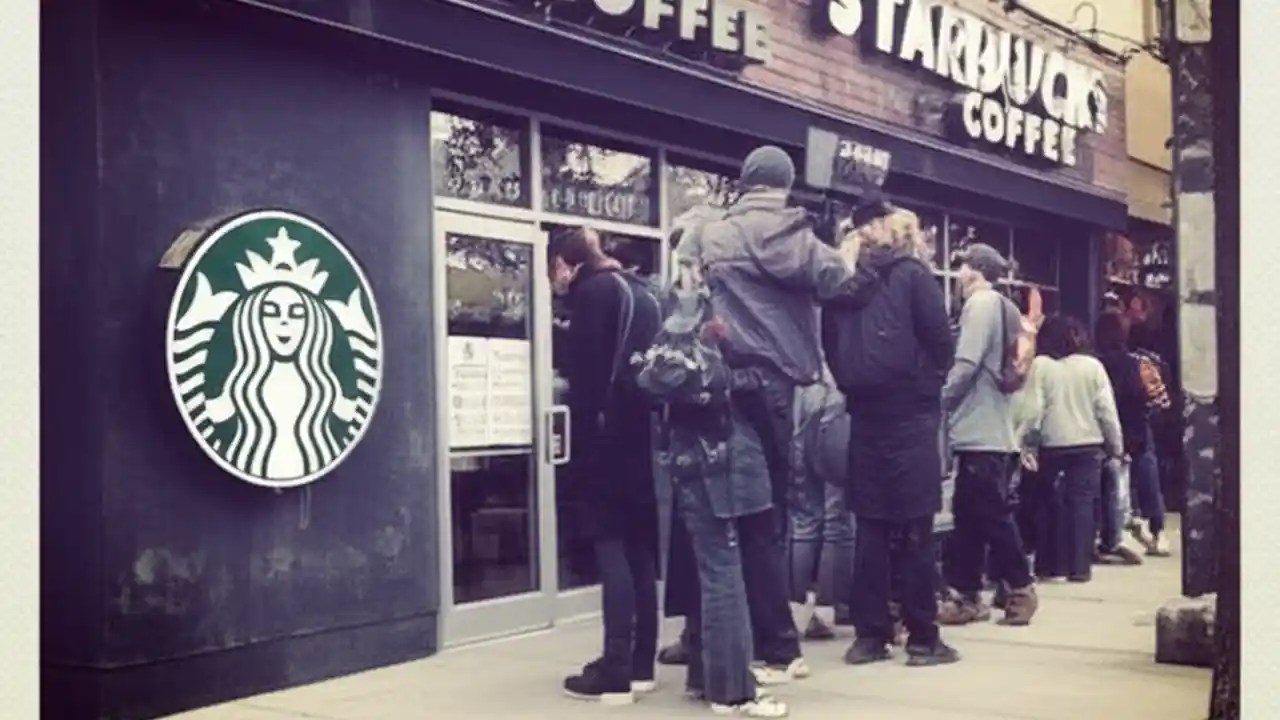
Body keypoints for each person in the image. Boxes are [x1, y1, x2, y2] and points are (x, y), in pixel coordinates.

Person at [690, 145, 878, 683]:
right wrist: (849, 250)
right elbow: (843, 286)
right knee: (767, 521)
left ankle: (749, 643)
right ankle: (777, 647)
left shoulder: (712, 233)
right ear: (785, 183)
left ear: (747, 181)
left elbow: (686, 295)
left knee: (729, 518)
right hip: (777, 391)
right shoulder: (797, 238)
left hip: (723, 384)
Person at [634, 219, 789, 718]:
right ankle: (732, 689)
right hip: (717, 456)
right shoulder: (700, 308)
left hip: (709, 455)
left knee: (715, 569)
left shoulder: (701, 308)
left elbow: (660, 376)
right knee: (723, 572)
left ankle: (710, 677)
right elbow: (666, 376)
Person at [821, 204, 960, 667]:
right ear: (902, 235)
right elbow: (941, 340)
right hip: (912, 415)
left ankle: (869, 635)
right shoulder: (913, 276)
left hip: (864, 415)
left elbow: (830, 345)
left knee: (871, 528)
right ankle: (923, 637)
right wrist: (927, 383)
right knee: (917, 528)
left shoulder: (842, 283)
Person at [553, 225, 663, 705]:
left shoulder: (592, 296)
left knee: (611, 546)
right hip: (640, 438)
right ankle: (641, 664)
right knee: (639, 549)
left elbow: (584, 379)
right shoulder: (639, 292)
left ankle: (614, 667)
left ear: (563, 263)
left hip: (603, 440)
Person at [936, 243, 1039, 627]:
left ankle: (1020, 586)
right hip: (994, 425)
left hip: (978, 427)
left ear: (974, 270)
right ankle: (966, 593)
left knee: (990, 513)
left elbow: (966, 363)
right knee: (969, 516)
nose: (958, 276)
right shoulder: (1006, 307)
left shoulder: (980, 305)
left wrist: (939, 400)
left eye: (961, 268)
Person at [1031, 315, 1124, 583]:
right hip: (1087, 445)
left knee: (1050, 505)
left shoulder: (1041, 366)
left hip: (1051, 445)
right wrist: (1116, 446)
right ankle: (1080, 567)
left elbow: (1034, 408)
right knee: (1082, 504)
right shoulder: (1092, 367)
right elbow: (1106, 411)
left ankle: (1049, 565)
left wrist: (1028, 441)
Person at [1096, 312, 1172, 558]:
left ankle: (1110, 531)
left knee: (1108, 482)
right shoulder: (1139, 363)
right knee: (1148, 476)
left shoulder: (1095, 365)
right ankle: (1158, 529)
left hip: (1103, 432)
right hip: (1137, 428)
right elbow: (1159, 399)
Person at [789, 368, 855, 639]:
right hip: (836, 396)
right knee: (837, 519)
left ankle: (796, 608)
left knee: (804, 518)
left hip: (799, 394)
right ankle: (827, 607)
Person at [1094, 311, 1150, 566]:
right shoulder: (1128, 363)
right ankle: (1114, 537)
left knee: (1101, 487)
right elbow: (1137, 398)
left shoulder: (1095, 363)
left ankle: (1101, 535)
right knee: (1118, 487)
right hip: (1124, 431)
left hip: (1095, 434)